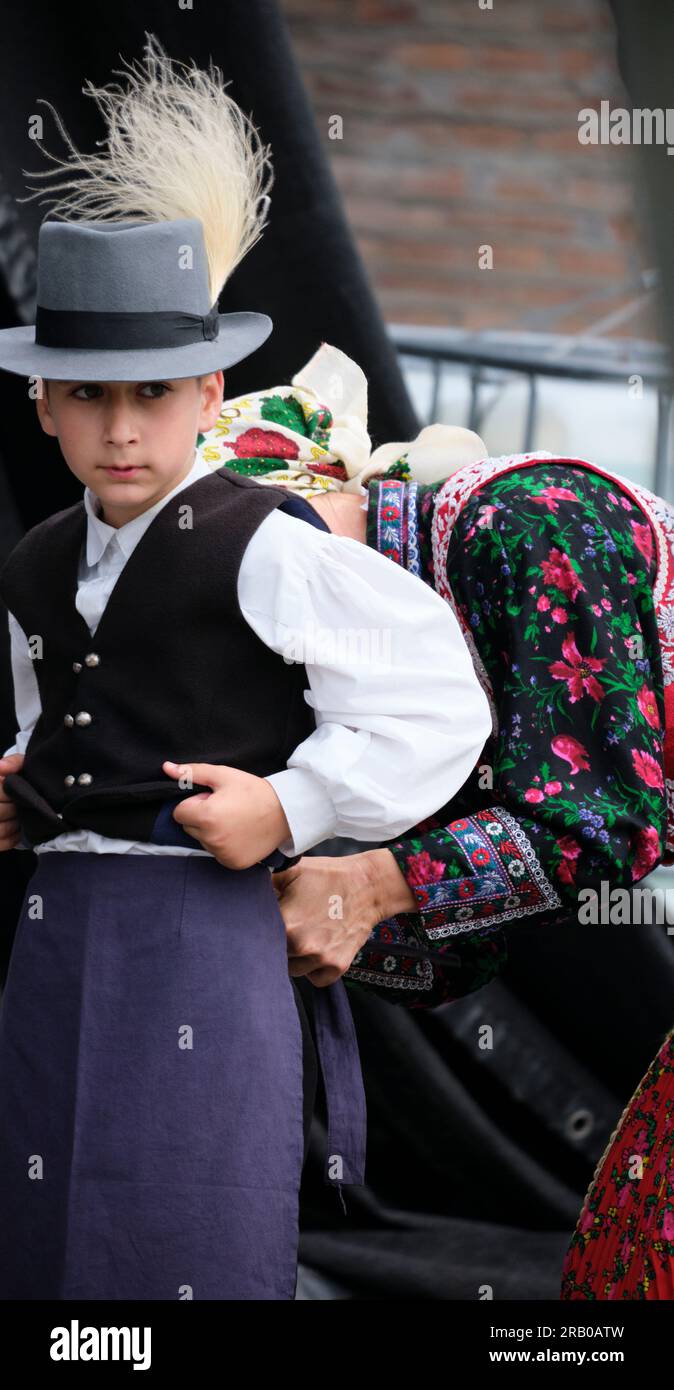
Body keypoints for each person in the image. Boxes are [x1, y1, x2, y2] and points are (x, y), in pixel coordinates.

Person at [0, 37, 492, 1301]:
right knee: (48, 1234)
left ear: (208, 388)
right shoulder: (38, 563)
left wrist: (295, 806)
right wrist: (25, 780)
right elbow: (63, 707)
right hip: (57, 946)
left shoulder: (263, 547)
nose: (122, 427)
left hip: (200, 941)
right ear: (41, 403)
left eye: (155, 393)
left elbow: (436, 697)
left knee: (183, 1220)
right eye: (90, 394)